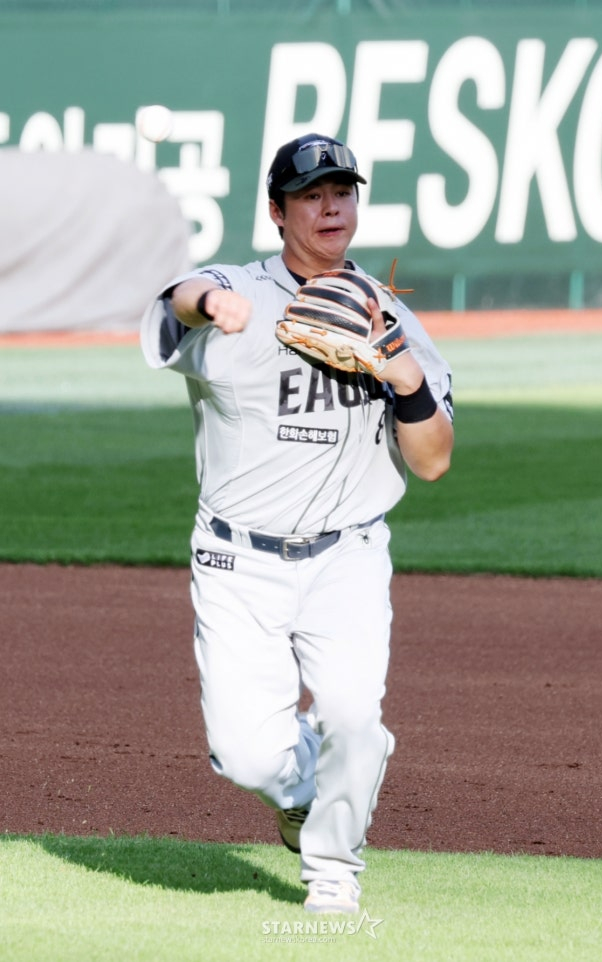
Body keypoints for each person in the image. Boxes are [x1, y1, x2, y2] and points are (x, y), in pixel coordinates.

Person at [141, 132, 454, 914]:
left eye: (341, 192)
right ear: (278, 212)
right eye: (311, 195)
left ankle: (333, 869)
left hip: (346, 554)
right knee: (249, 756)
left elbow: (434, 460)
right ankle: (308, 780)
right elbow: (177, 295)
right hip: (236, 560)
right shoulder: (233, 289)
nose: (330, 207)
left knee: (353, 712)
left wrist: (400, 371)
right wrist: (215, 306)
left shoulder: (393, 321)